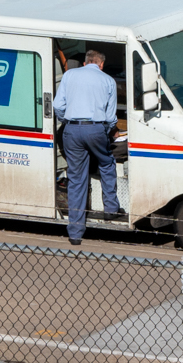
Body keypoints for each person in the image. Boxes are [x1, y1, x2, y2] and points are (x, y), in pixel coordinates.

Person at [53, 49, 122, 245]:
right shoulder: (108, 80)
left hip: (72, 131)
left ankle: (75, 233)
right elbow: (110, 117)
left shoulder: (69, 75)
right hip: (95, 129)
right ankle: (111, 209)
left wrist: (66, 121)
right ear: (101, 64)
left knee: (76, 179)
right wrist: (107, 131)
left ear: (85, 63)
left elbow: (58, 105)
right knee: (107, 163)